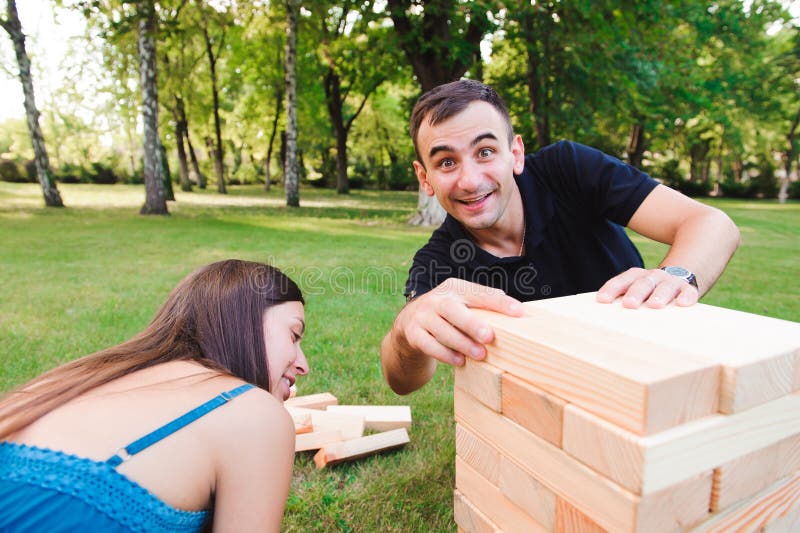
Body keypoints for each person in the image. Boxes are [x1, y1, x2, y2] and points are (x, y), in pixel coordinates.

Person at [381, 79, 740, 395]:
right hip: (546, 404)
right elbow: (403, 380)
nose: (471, 180)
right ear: (424, 177)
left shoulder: (568, 169)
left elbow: (712, 224)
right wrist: (404, 329)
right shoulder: (440, 262)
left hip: (642, 368)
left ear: (515, 154)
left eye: (485, 152)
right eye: (446, 162)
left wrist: (674, 277)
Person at [0, 259, 309, 532]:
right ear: (245, 321)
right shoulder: (254, 412)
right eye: (294, 335)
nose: (302, 363)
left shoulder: (93, 376)